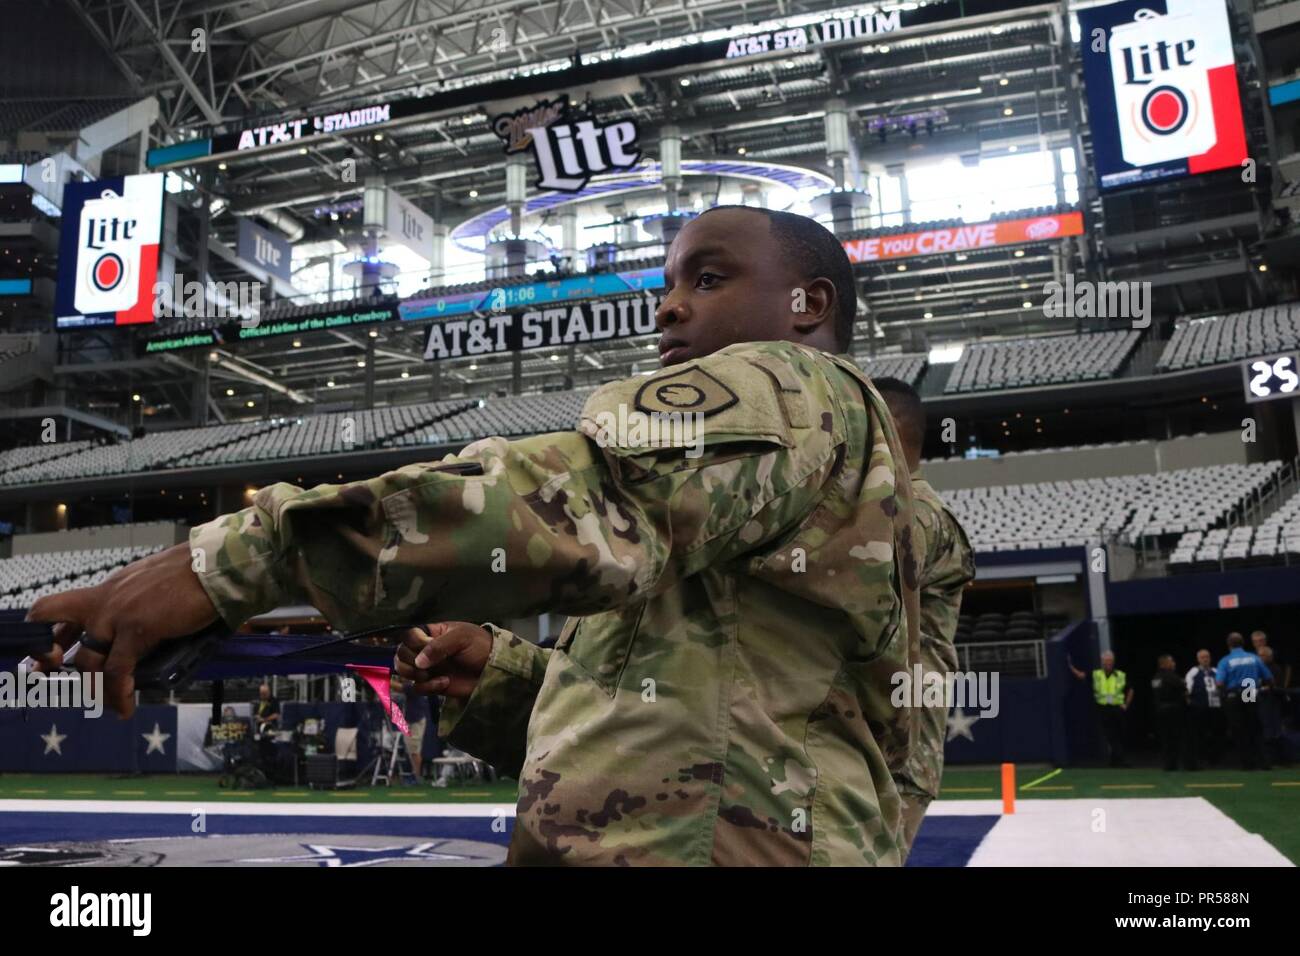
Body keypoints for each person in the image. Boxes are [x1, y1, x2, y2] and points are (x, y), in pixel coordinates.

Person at [26, 206, 922, 867]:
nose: (669, 310)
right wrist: (502, 679)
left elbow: (579, 498)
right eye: (668, 285)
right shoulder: (746, 493)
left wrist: (237, 558)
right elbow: (695, 714)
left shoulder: (797, 385)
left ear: (809, 303)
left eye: (709, 279)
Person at [873, 376, 975, 857]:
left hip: (899, 749)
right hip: (880, 740)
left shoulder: (919, 516)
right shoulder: (891, 510)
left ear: (887, 430)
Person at [1215, 632, 1272, 770]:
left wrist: (1224, 694)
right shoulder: (1253, 658)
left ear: (1228, 645)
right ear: (1243, 643)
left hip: (1234, 695)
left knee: (1240, 730)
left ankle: (1247, 764)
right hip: (1249, 690)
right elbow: (1269, 678)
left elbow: (1219, 682)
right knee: (1255, 727)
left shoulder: (1225, 660)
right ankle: (1263, 762)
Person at [1069, 650, 1132, 767]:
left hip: (1117, 709)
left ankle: (1114, 761)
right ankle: (1122, 760)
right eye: (1105, 661)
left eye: (1110, 661)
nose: (1108, 663)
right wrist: (1070, 667)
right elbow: (1081, 675)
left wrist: (1126, 704)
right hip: (1103, 709)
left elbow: (1131, 689)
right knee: (1111, 735)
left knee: (1120, 734)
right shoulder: (1096, 674)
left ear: (1113, 662)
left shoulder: (1120, 675)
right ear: (1102, 662)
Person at [1184, 648, 1221, 769]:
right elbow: (1187, 688)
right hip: (1199, 707)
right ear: (1198, 659)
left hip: (1215, 707)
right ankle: (1200, 758)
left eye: (1207, 657)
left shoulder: (1216, 671)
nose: (1205, 659)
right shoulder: (1193, 671)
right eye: (1202, 657)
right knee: (1199, 733)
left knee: (1215, 733)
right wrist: (1189, 701)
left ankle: (1214, 758)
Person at [1150, 654, 1187, 771]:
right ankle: (1174, 764)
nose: (1174, 664)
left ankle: (1168, 764)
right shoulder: (1171, 676)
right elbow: (1184, 688)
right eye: (1171, 662)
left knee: (1165, 739)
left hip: (1160, 710)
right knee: (1175, 738)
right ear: (1164, 664)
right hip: (1173, 710)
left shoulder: (1156, 678)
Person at [1257, 646, 1287, 767]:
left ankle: (1276, 759)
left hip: (1271, 704)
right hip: (1255, 704)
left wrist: (1265, 689)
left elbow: (1277, 687)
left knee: (1274, 731)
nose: (1262, 658)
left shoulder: (1275, 669)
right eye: (1260, 655)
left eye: (1264, 655)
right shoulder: (1253, 668)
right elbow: (1247, 693)